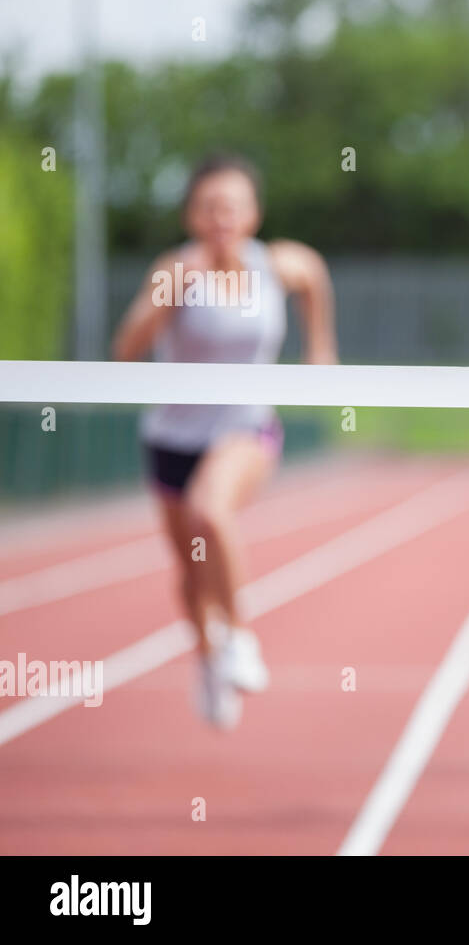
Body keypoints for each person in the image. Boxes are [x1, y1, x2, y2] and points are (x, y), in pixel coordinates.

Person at [112, 153, 338, 728]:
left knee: (210, 511)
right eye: (209, 207)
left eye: (232, 206)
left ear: (254, 213)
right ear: (192, 216)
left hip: (245, 427)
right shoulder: (175, 268)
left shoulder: (278, 264)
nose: (221, 218)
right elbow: (126, 349)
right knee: (190, 575)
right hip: (172, 437)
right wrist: (167, 293)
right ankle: (208, 658)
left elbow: (314, 278)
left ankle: (238, 634)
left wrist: (321, 349)